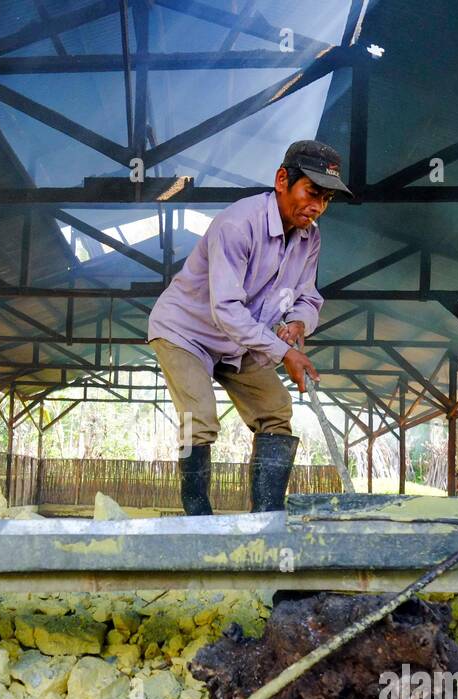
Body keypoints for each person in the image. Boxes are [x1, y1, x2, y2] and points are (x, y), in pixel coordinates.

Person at [147, 139, 349, 515]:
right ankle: (198, 520)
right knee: (200, 419)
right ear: (281, 180)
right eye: (312, 193)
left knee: (276, 409)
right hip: (186, 332)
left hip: (240, 339)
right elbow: (225, 309)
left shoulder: (310, 238)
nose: (317, 206)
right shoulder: (238, 224)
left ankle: (267, 519)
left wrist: (297, 324)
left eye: (326, 200)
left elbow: (308, 296)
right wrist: (283, 352)